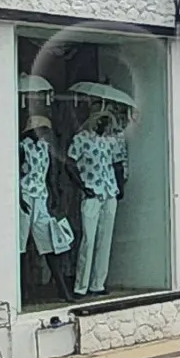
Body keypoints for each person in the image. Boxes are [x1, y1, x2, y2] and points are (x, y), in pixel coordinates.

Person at [70, 107, 128, 296]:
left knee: (105, 240)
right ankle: (81, 286)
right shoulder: (81, 139)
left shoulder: (110, 141)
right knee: (88, 239)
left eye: (108, 122)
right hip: (92, 193)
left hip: (109, 191)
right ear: (95, 121)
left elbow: (117, 164)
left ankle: (98, 284)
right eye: (103, 122)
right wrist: (82, 186)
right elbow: (69, 163)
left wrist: (120, 187)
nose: (106, 126)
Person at [19, 115, 75, 298]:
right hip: (26, 196)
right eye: (41, 129)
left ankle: (62, 290)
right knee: (20, 245)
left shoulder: (44, 148)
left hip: (41, 197)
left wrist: (53, 195)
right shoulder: (22, 146)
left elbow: (48, 175)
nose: (43, 133)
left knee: (50, 243)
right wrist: (19, 198)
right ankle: (21, 290)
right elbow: (16, 173)